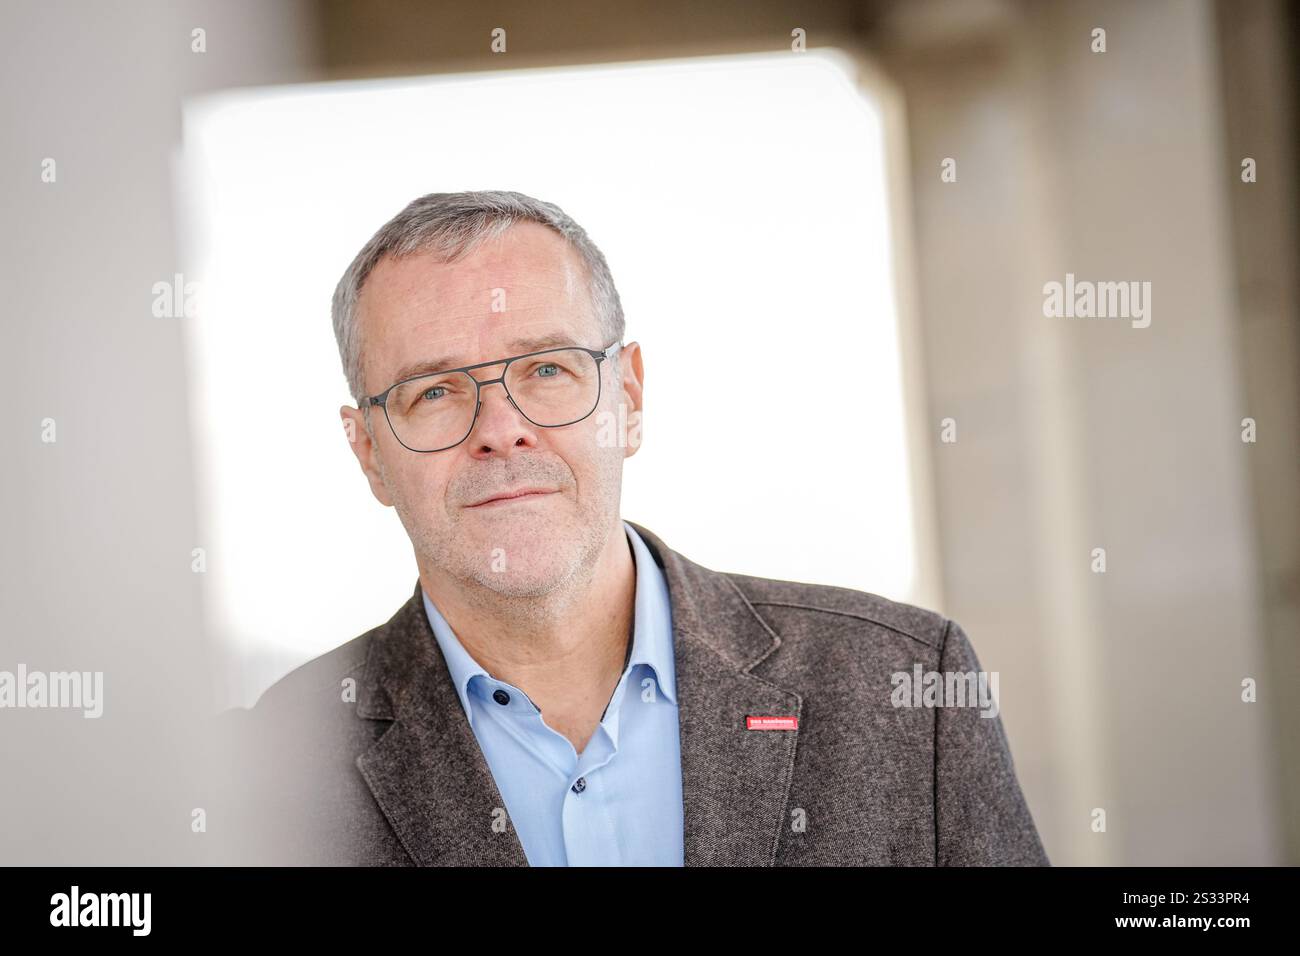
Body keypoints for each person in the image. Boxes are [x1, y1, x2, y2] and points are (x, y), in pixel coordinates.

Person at [214, 190, 1048, 867]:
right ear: (368, 452)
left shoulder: (902, 684)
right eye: (434, 391)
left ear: (630, 399)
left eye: (547, 369)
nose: (500, 429)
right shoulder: (278, 769)